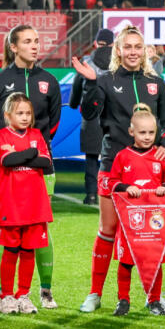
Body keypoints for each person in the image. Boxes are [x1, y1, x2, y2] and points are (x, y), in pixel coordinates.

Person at [74, 26, 165, 314]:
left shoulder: (156, 83)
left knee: (149, 235)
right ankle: (95, 294)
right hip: (113, 168)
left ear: (144, 51)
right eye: (127, 46)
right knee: (108, 231)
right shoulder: (105, 80)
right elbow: (90, 113)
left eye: (137, 46)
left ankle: (153, 296)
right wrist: (92, 83)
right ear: (118, 50)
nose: (133, 52)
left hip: (150, 173)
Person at [0, 25, 62, 310]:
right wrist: (8, 149)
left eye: (37, 41)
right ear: (13, 47)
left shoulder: (49, 81)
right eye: (28, 41)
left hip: (40, 171)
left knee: (39, 231)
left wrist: (25, 153)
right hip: (2, 170)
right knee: (3, 229)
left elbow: (52, 124)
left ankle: (44, 291)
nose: (35, 46)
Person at [108, 105, 165, 316]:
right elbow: (112, 182)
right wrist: (127, 187)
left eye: (151, 133)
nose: (147, 137)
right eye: (142, 132)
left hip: (154, 221)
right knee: (126, 262)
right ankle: (123, 300)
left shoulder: (160, 156)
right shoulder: (123, 156)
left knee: (154, 262)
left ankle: (154, 301)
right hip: (131, 220)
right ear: (132, 132)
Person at [0, 93, 55, 315]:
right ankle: (7, 296)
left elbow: (46, 163)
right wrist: (30, 153)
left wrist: (20, 155)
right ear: (8, 115)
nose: (25, 117)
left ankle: (23, 295)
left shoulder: (37, 134)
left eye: (28, 113)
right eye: (20, 113)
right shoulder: (0, 135)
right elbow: (7, 161)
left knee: (29, 250)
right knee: (10, 250)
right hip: (11, 203)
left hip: (35, 204)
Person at [69, 29, 114, 205]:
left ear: (96, 43)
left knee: (91, 157)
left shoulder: (86, 62)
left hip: (91, 117)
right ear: (112, 44)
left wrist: (74, 104)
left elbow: (76, 88)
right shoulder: (120, 62)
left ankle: (91, 195)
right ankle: (112, 193)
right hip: (114, 115)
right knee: (115, 156)